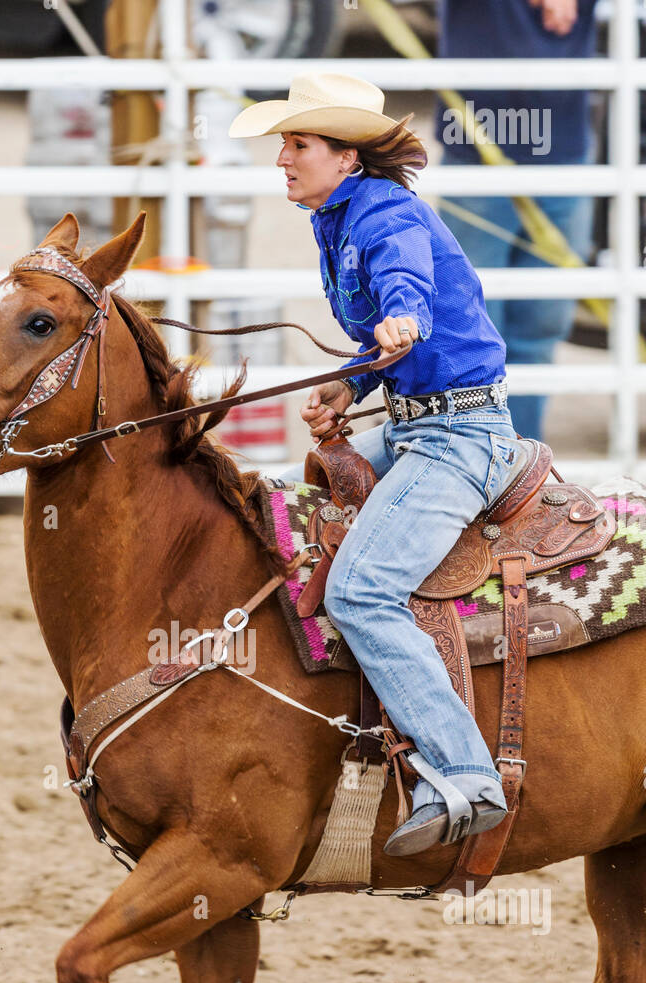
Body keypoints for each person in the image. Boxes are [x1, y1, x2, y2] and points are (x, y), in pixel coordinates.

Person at [229, 72, 523, 857]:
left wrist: (402, 318)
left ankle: (466, 775)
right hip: (417, 427)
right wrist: (348, 382)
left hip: (461, 439)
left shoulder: (386, 213)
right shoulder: (337, 216)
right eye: (283, 144)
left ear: (347, 156)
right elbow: (386, 333)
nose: (282, 160)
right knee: (290, 510)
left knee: (360, 591)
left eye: (298, 145)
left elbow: (406, 284)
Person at [437, 0, 598, 442]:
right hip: (477, 144)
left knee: (542, 325)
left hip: (564, 150)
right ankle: (479, 465)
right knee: (471, 327)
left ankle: (519, 470)